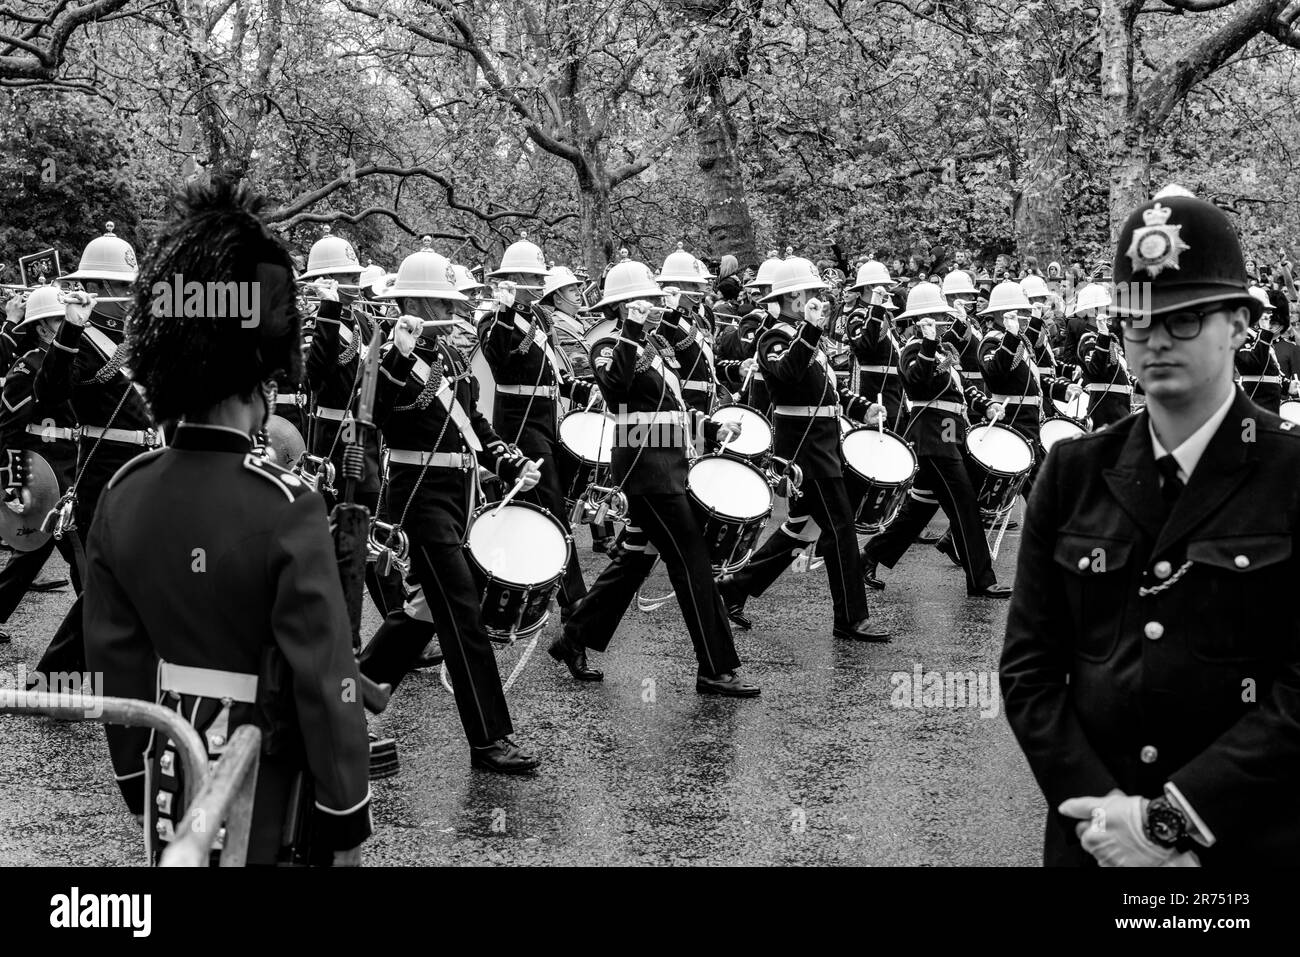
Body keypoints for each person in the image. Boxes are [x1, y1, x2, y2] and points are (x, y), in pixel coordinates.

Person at [1001, 185, 1300, 867]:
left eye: (1186, 318)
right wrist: (1111, 822)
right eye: (1138, 321)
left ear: (1237, 323)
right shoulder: (1072, 474)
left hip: (1243, 844)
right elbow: (1030, 671)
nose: (1157, 338)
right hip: (1094, 842)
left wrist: (1171, 821)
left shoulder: (1291, 475)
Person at [84, 180, 371, 866]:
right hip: (268, 781)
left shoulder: (123, 495)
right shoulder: (285, 504)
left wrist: (136, 772)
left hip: (166, 773)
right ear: (259, 380)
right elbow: (325, 680)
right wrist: (346, 815)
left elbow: (115, 668)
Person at [357, 242, 544, 772]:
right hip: (418, 498)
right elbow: (376, 410)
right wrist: (396, 353)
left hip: (457, 497)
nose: (452, 311)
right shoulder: (385, 354)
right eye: (441, 303)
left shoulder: (450, 356)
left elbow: (474, 427)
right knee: (463, 613)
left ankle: (350, 693)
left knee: (424, 611)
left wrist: (509, 465)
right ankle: (489, 738)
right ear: (415, 303)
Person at [552, 258, 760, 695]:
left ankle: (574, 635)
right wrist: (629, 330)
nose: (652, 305)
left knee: (635, 559)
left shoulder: (654, 342)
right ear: (626, 304)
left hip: (669, 463)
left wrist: (708, 428)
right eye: (643, 299)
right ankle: (714, 667)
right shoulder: (608, 342)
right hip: (646, 471)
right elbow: (617, 390)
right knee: (692, 563)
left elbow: (670, 407)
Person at [717, 257, 889, 642]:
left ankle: (732, 588)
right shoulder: (773, 337)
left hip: (823, 443)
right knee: (840, 528)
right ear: (794, 297)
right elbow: (788, 373)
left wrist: (862, 408)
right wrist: (809, 331)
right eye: (810, 293)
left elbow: (827, 388)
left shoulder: (803, 335)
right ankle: (850, 617)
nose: (817, 300)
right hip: (804, 450)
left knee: (801, 528)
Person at [29, 223, 157, 681]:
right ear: (97, 286)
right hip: (105, 469)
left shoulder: (140, 333)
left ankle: (78, 670)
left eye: (129, 285)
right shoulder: (79, 336)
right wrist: (71, 328)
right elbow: (48, 394)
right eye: (119, 286)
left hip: (149, 467)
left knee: (134, 575)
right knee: (110, 578)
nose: (127, 294)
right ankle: (55, 674)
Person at [480, 237, 591, 669]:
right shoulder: (495, 321)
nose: (534, 285)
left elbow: (554, 370)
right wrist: (505, 312)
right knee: (552, 519)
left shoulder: (539, 318)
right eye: (527, 278)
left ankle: (498, 602)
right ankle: (574, 613)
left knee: (524, 518)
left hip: (545, 421)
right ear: (510, 280)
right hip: (519, 428)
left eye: (536, 278)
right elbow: (500, 359)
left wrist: (580, 388)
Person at [859, 283, 1011, 598]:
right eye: (933, 315)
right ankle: (981, 580)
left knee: (919, 509)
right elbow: (917, 380)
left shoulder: (937, 348)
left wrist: (985, 404)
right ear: (920, 318)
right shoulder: (913, 347)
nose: (938, 320)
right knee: (965, 506)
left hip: (947, 432)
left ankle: (867, 558)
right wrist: (928, 344)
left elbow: (956, 389)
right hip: (931, 436)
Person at [301, 229, 404, 620]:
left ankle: (389, 618)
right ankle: (375, 622)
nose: (351, 283)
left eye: (351, 275)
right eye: (341, 277)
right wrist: (327, 311)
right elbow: (314, 376)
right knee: (348, 534)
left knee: (365, 529)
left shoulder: (363, 318)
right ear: (322, 282)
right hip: (333, 439)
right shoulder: (314, 322)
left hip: (365, 434)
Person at [0, 286, 82, 639]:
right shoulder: (28, 366)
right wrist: (13, 481)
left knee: (32, 552)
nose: (63, 324)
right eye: (57, 319)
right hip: (46, 472)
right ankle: (100, 615)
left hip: (71, 467)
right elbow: (9, 429)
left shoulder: (71, 361)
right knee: (79, 549)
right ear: (42, 327)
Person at [1073, 284, 1135, 429]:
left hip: (1119, 406)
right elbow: (1095, 369)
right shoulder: (1088, 339)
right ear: (1092, 311)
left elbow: (1119, 374)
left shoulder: (1108, 339)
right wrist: (1102, 336)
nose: (1109, 313)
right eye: (1105, 308)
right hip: (1105, 408)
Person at [1235, 287, 1285, 414]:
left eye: (1269, 311)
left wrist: (1287, 384)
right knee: (1249, 433)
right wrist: (1264, 332)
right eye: (1264, 311)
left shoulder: (1259, 336)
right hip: (1254, 400)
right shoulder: (1241, 335)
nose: (1270, 315)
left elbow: (1269, 369)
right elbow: (1251, 363)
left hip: (1270, 402)